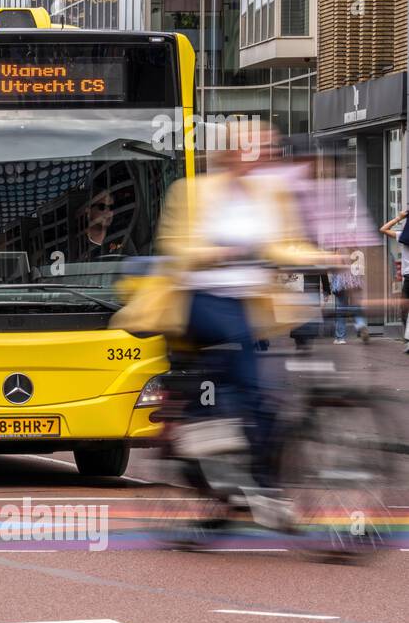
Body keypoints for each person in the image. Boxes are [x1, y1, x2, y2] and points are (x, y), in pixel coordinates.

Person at [111, 121, 332, 522]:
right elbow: (177, 249)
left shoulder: (270, 194)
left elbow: (284, 242)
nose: (264, 154)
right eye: (256, 147)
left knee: (269, 397)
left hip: (248, 302)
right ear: (231, 151)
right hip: (198, 297)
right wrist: (221, 252)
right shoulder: (192, 192)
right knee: (244, 367)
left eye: (268, 148)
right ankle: (235, 465)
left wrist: (321, 256)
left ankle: (259, 484)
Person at [380, 206, 409, 353]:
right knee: (404, 310)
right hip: (408, 278)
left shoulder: (403, 236)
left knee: (404, 310)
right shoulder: (403, 236)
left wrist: (399, 218)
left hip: (408, 278)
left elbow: (383, 229)